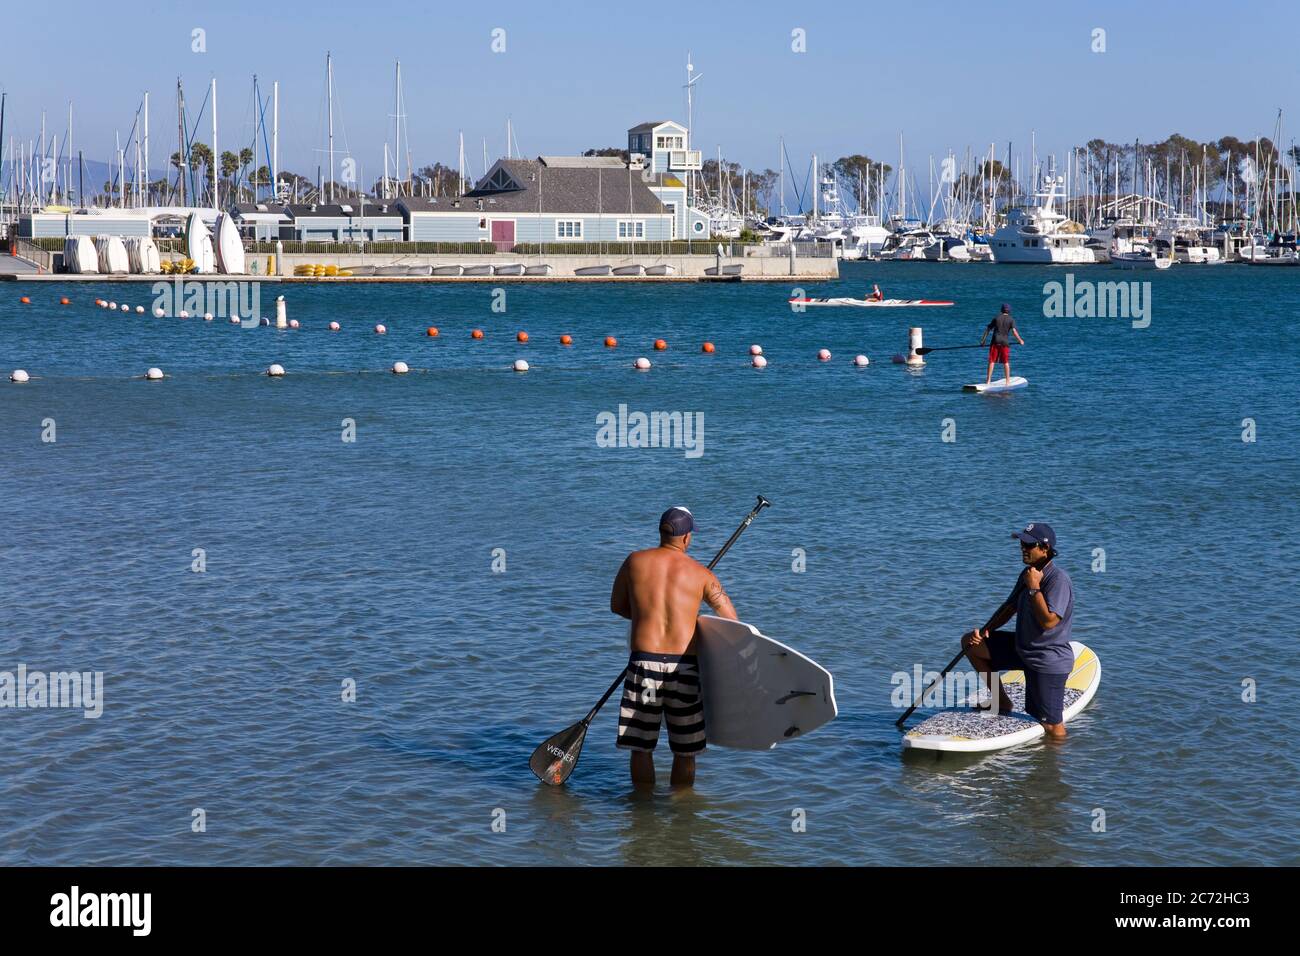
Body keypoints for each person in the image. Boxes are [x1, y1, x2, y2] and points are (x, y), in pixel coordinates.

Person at [609, 506, 738, 787]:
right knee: (686, 751)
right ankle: (681, 811)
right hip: (684, 668)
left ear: (661, 532)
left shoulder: (634, 562)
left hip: (643, 665)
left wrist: (648, 615)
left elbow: (617, 606)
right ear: (686, 538)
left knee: (641, 747)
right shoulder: (701, 574)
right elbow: (732, 622)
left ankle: (642, 813)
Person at [960, 523, 1074, 740]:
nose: (1023, 548)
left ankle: (1054, 768)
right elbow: (1009, 608)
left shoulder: (1058, 580)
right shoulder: (1028, 573)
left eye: (1029, 545)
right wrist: (985, 631)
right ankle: (1002, 701)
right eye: (1022, 543)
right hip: (1022, 648)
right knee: (970, 644)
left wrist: (1034, 588)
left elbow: (1049, 622)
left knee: (1052, 727)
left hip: (1046, 658)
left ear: (1045, 548)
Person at [979, 303, 1025, 385]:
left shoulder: (996, 318)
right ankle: (1007, 382)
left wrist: (983, 341)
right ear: (1009, 311)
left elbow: (987, 330)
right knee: (1006, 362)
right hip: (1005, 343)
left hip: (995, 342)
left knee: (991, 361)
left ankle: (988, 381)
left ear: (1001, 310)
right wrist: (1020, 340)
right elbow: (1014, 332)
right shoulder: (1011, 319)